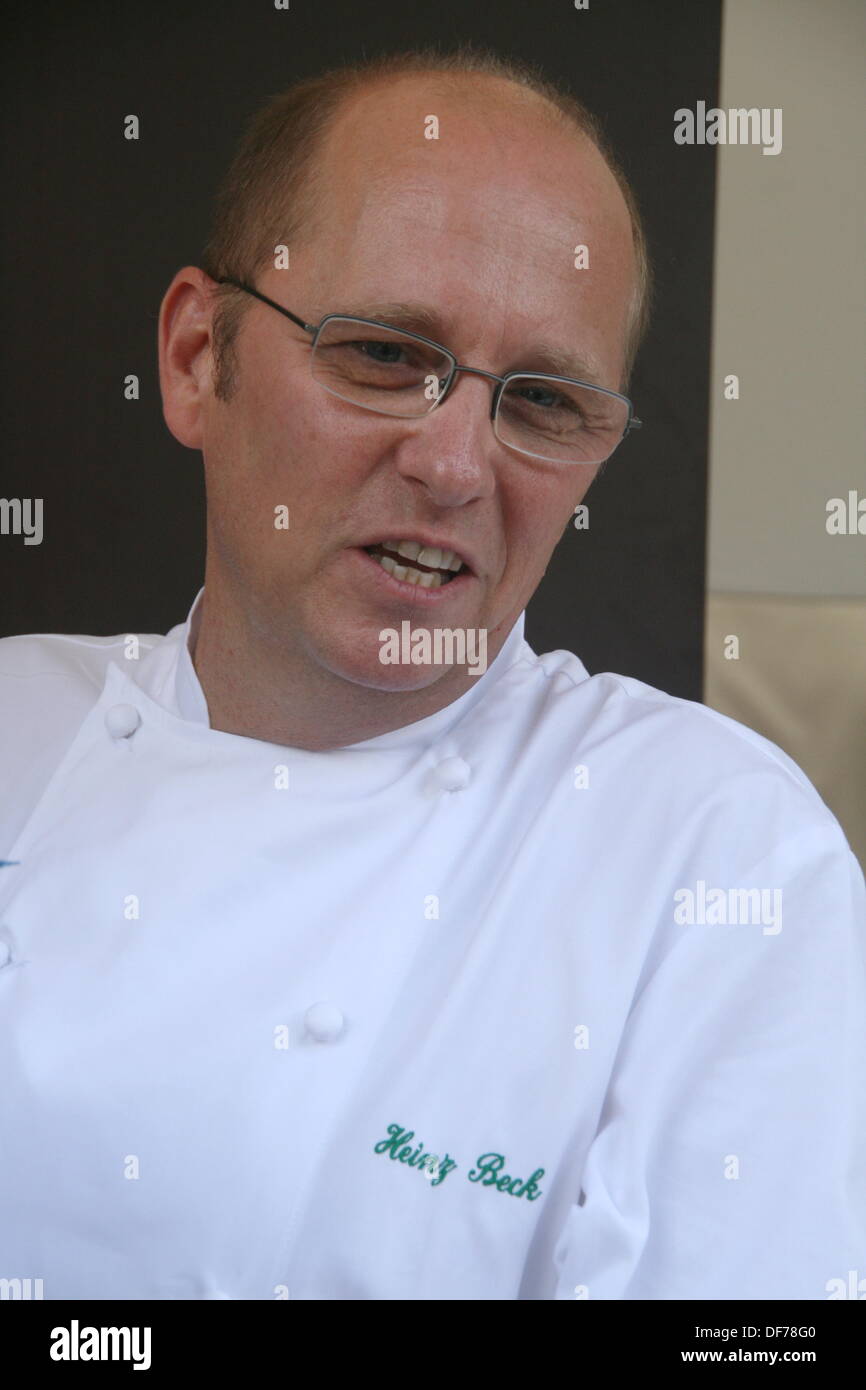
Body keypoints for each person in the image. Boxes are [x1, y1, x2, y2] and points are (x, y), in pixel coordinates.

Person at [0, 47, 863, 1303]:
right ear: (196, 358)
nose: (455, 465)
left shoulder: (716, 854)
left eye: (544, 401)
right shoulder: (17, 725)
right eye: (383, 354)